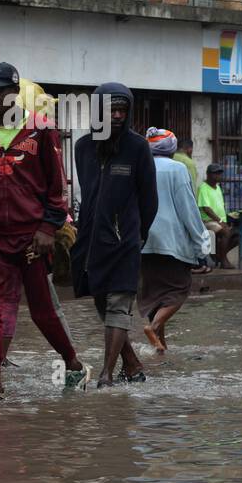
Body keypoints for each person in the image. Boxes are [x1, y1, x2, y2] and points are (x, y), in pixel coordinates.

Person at [0, 61, 89, 400]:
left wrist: (48, 228)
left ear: (14, 92)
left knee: (42, 312)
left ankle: (73, 363)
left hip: (32, 238)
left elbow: (56, 187)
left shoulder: (41, 130)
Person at [71, 83, 158, 388]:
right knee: (101, 304)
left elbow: (149, 199)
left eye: (123, 110)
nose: (118, 116)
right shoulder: (82, 147)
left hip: (125, 241)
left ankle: (107, 376)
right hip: (91, 241)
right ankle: (132, 365)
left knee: (119, 305)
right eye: (112, 110)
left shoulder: (138, 148)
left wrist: (137, 233)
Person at [141, 128, 209, 353]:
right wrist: (201, 240)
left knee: (154, 292)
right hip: (171, 240)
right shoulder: (177, 169)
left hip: (143, 241)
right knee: (178, 289)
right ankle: (154, 327)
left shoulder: (141, 167)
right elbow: (187, 207)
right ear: (171, 148)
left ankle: (161, 347)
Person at [198, 163, 238, 268]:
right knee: (226, 232)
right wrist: (220, 221)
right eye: (215, 173)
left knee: (240, 233)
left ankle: (218, 255)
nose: (218, 175)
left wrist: (227, 219)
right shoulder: (203, 188)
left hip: (220, 221)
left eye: (220, 173)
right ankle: (224, 261)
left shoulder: (218, 187)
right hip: (207, 221)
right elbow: (206, 209)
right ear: (208, 174)